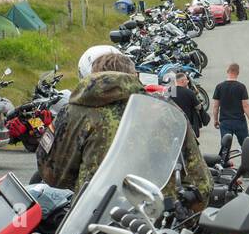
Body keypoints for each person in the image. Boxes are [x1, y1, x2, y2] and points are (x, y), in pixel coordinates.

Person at [38, 52, 212, 208]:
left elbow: (53, 175)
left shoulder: (72, 112)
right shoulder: (165, 108)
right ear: (134, 75)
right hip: (157, 219)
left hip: (94, 219)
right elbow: (199, 179)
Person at [211, 64, 249, 144]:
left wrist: (215, 120)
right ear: (238, 73)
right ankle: (246, 156)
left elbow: (215, 106)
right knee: (246, 146)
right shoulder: (241, 87)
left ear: (227, 71)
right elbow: (246, 106)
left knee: (225, 147)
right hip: (239, 121)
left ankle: (225, 156)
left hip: (225, 122)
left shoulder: (219, 87)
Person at [167, 70, 205, 139]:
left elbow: (170, 102)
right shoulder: (189, 92)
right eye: (186, 80)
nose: (187, 81)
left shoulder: (172, 90)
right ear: (182, 81)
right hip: (188, 122)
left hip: (176, 121)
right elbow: (198, 107)